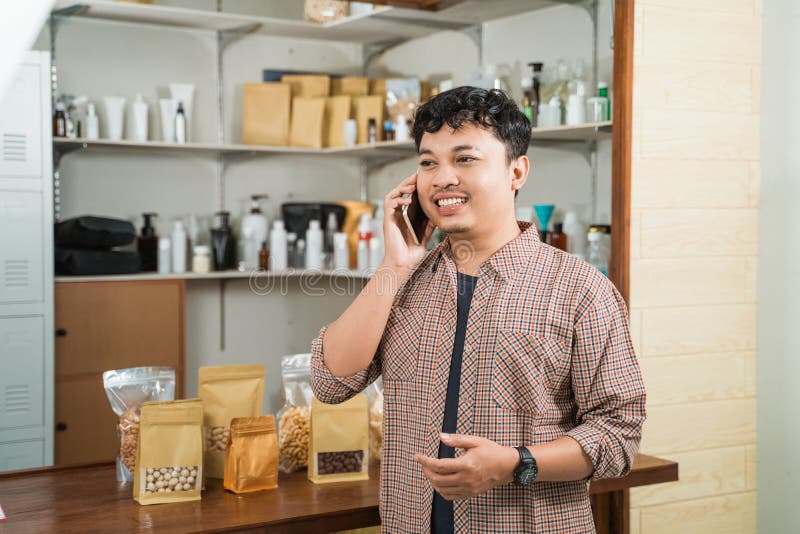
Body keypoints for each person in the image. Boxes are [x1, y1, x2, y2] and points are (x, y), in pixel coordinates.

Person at [310, 86, 646, 533]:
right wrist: (394, 265)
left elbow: (619, 434)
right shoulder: (402, 284)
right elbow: (330, 383)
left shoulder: (581, 291)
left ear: (517, 171)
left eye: (465, 159)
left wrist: (515, 463)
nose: (442, 177)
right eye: (429, 162)